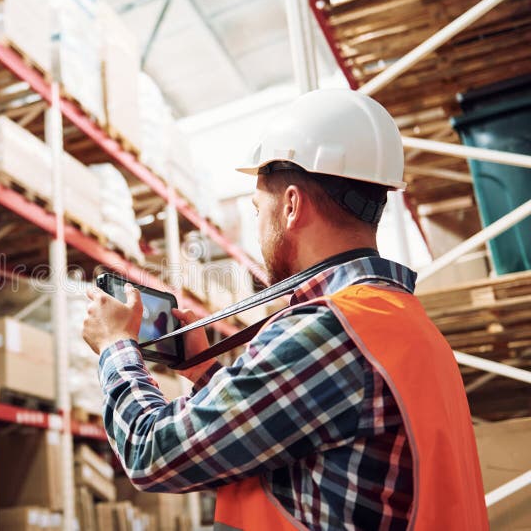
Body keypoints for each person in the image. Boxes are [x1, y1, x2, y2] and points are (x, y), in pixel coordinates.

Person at [82, 89, 489, 530]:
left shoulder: (330, 330)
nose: (257, 229)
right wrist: (207, 376)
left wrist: (116, 347)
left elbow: (152, 452)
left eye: (259, 209)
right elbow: (304, 441)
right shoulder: (401, 322)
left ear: (291, 206)